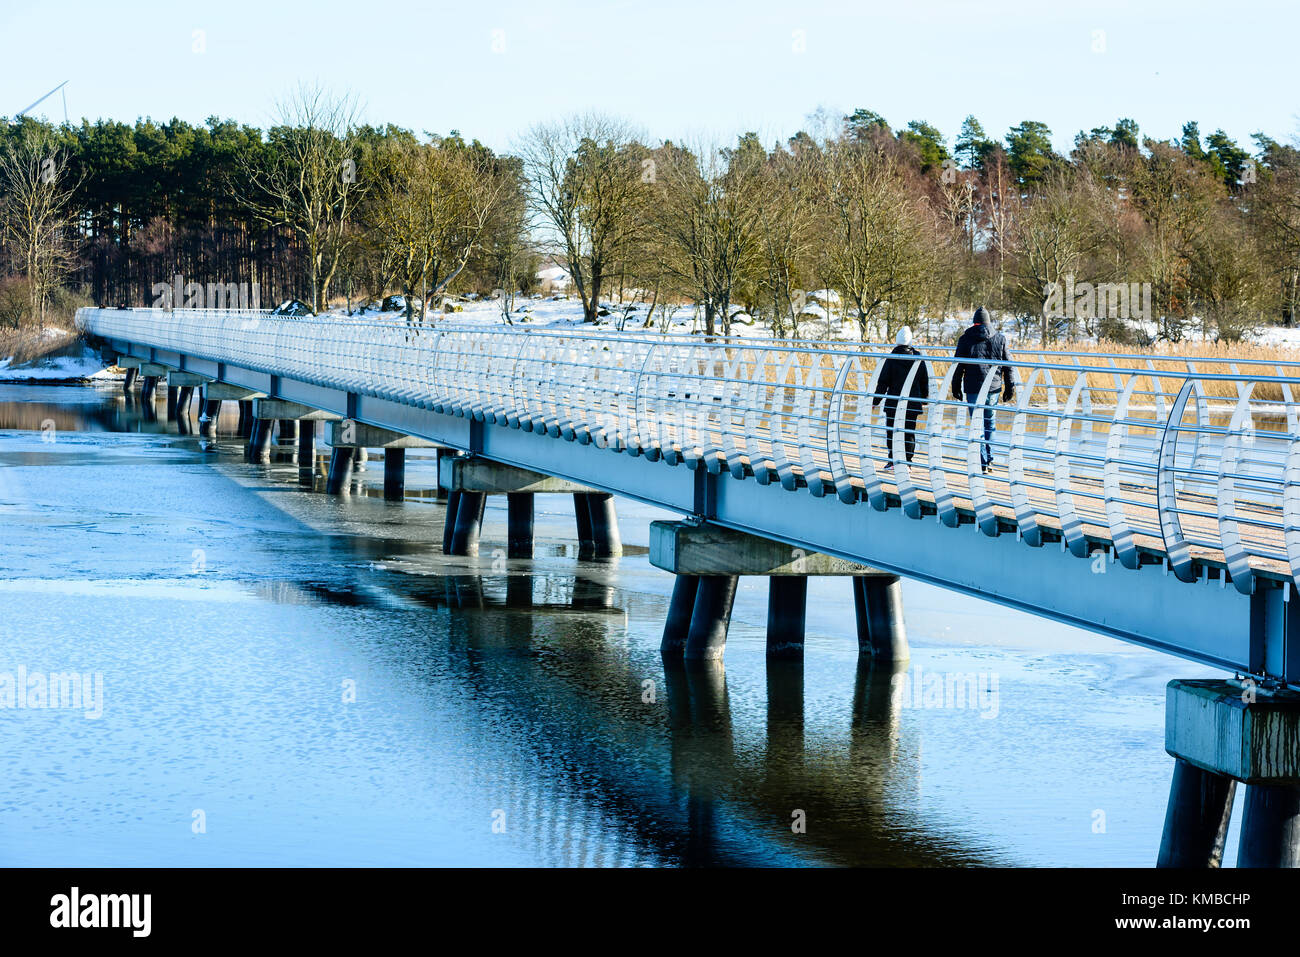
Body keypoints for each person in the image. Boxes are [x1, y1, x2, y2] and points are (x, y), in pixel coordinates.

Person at [952, 307, 1015, 473]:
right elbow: (1008, 366)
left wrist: (955, 385)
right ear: (989, 322)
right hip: (993, 388)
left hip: (973, 387)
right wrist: (1010, 386)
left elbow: (958, 365)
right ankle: (990, 460)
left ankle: (982, 462)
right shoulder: (1000, 338)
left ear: (974, 322)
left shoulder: (965, 339)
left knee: (976, 424)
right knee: (990, 424)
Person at [873, 326, 930, 468]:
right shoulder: (918, 358)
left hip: (894, 402)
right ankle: (907, 462)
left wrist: (875, 401)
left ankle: (892, 460)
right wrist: (923, 398)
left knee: (892, 431)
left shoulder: (891, 358)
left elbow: (883, 382)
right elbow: (924, 380)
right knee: (909, 432)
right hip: (913, 402)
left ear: (897, 341)